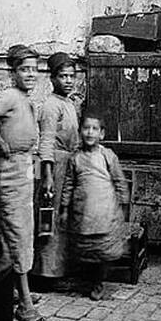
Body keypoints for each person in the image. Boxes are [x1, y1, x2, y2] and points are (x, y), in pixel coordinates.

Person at [0, 44, 45, 321]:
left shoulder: (25, 99)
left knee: (16, 234)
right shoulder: (9, 96)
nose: (30, 74)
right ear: (13, 72)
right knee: (16, 234)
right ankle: (26, 306)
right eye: (24, 69)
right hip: (8, 173)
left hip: (23, 170)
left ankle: (12, 291)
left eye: (34, 69)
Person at [59, 110, 129, 301]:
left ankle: (98, 281)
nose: (90, 133)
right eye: (86, 128)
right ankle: (88, 278)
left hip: (104, 209)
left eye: (94, 129)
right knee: (85, 247)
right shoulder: (75, 158)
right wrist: (65, 209)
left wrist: (123, 203)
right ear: (80, 131)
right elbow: (69, 184)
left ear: (102, 134)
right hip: (84, 211)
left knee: (103, 247)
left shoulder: (108, 155)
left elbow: (119, 180)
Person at [34, 52, 80, 280]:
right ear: (52, 79)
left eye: (72, 76)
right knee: (49, 218)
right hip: (55, 167)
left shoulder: (68, 103)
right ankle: (44, 273)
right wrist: (48, 176)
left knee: (63, 217)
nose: (69, 81)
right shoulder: (51, 106)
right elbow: (46, 141)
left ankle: (59, 270)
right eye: (63, 76)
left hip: (68, 165)